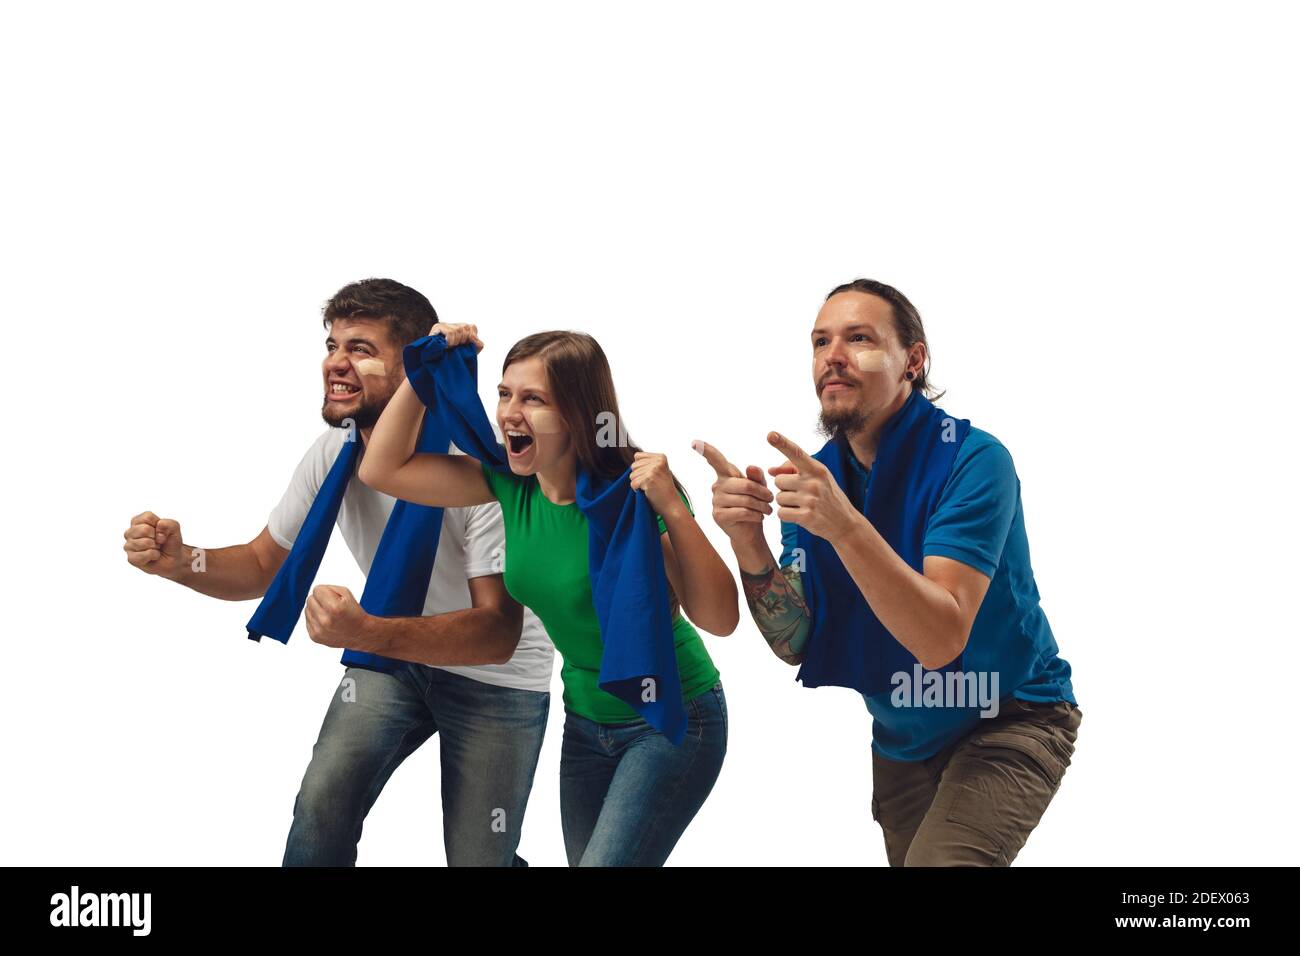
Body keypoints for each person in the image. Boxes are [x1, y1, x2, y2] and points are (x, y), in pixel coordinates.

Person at [123, 278, 554, 866]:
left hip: (494, 678)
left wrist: (365, 633)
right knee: (322, 803)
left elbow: (496, 635)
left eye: (361, 349)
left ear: (413, 368)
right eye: (332, 345)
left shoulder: (476, 466)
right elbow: (259, 564)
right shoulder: (333, 453)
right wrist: (184, 562)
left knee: (482, 857)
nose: (335, 363)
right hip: (393, 662)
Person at [698, 278, 1081, 866]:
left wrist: (846, 528)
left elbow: (940, 639)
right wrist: (749, 542)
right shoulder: (817, 480)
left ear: (913, 360)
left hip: (1010, 716)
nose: (833, 357)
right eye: (820, 342)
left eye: (859, 339)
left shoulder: (975, 460)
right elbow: (797, 642)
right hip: (903, 742)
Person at [360, 321, 736, 866]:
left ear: (578, 415)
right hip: (585, 722)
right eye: (504, 393)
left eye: (533, 398)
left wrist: (673, 508)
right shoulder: (510, 484)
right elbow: (383, 467)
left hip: (673, 714)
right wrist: (427, 369)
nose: (510, 412)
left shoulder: (630, 493)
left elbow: (718, 618)